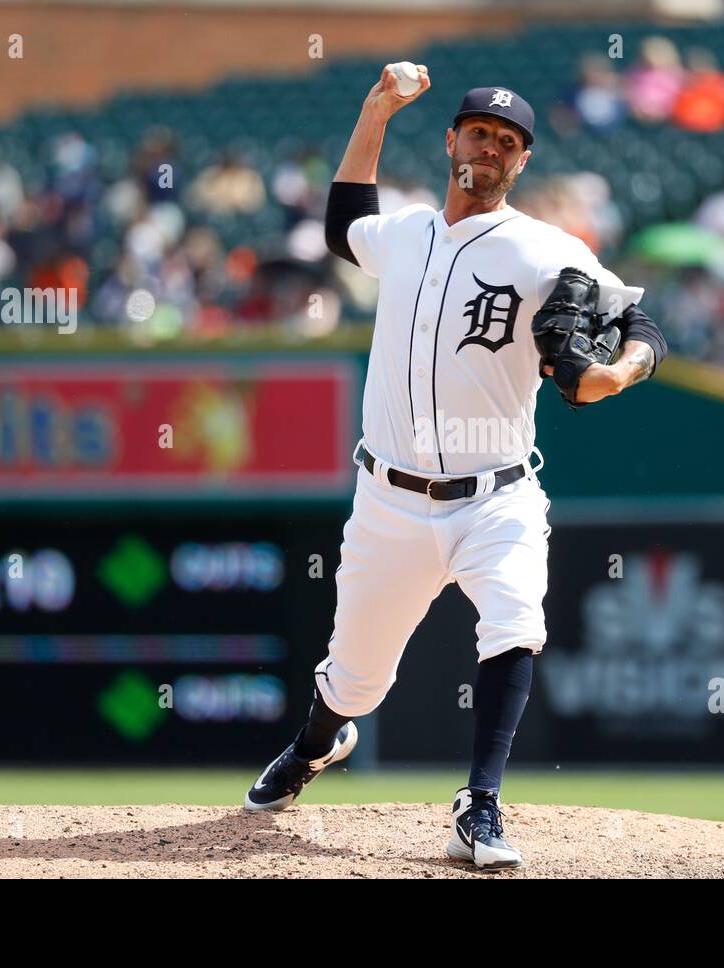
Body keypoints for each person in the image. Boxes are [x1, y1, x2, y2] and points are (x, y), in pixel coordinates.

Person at [242, 65, 667, 871]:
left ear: (521, 163)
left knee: (515, 624)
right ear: (451, 142)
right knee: (354, 681)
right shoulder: (403, 232)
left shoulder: (546, 249)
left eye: (509, 143)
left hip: (496, 495)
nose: (492, 148)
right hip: (389, 499)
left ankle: (480, 803)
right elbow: (341, 227)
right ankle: (311, 747)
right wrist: (373, 113)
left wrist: (621, 370)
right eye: (480, 133)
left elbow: (639, 318)